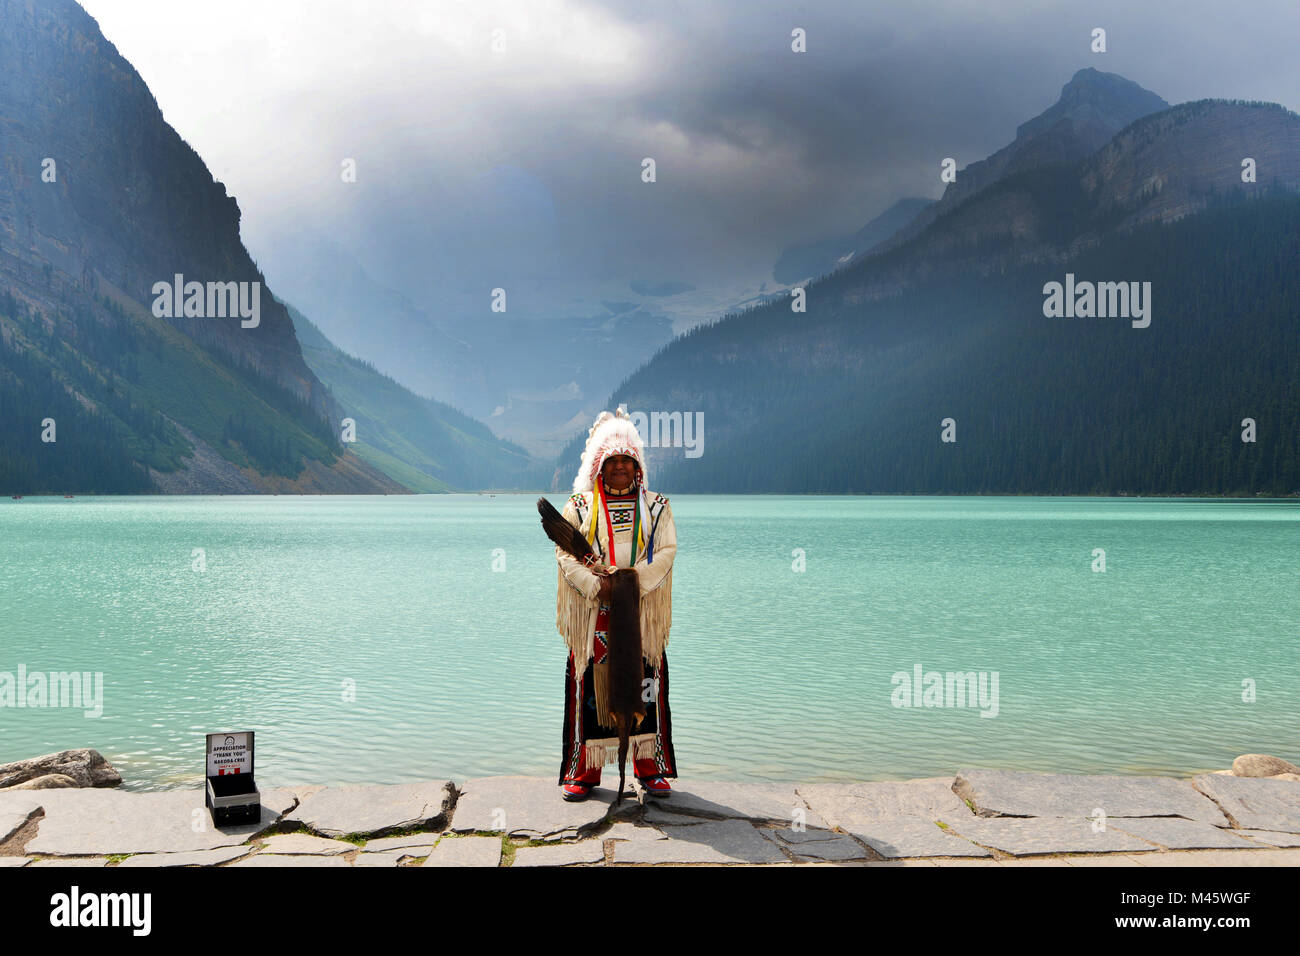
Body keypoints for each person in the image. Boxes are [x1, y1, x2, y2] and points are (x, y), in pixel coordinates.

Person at [553, 407, 677, 801]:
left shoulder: (656, 507)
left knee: (645, 682)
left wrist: (630, 583)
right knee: (589, 683)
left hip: (639, 613)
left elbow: (667, 550)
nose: (620, 466)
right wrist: (596, 585)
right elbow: (565, 554)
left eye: (627, 460)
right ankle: (585, 770)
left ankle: (648, 766)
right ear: (599, 466)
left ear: (637, 466)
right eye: (612, 461)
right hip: (596, 617)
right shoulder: (580, 507)